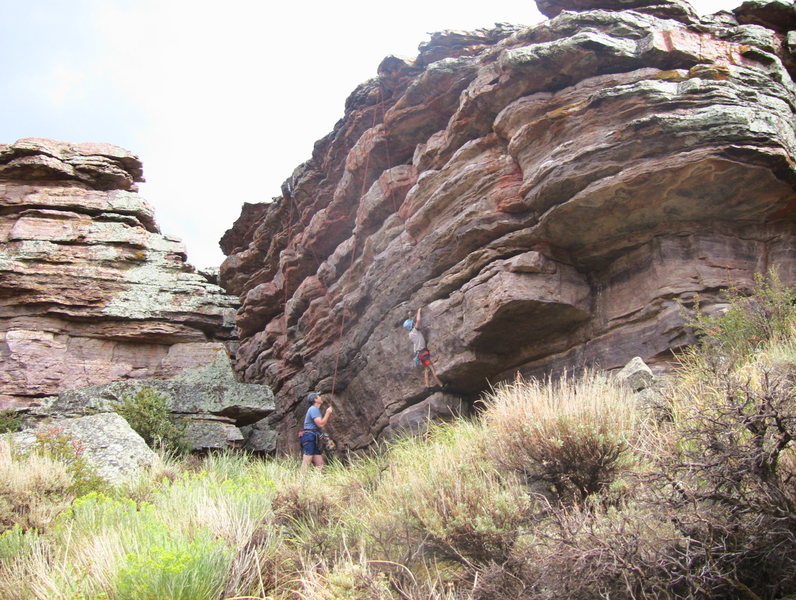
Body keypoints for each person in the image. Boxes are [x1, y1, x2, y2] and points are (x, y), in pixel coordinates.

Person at [403, 307, 444, 390]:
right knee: (432, 369)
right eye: (413, 323)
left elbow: (414, 322)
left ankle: (427, 387)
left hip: (420, 354)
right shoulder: (415, 331)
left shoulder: (411, 334)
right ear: (412, 326)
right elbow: (418, 321)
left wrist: (410, 315)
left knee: (426, 370)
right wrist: (418, 311)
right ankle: (441, 385)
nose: (414, 323)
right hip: (424, 353)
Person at [300, 391, 333, 470]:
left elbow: (317, 427)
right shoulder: (313, 409)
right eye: (318, 396)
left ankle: (317, 481)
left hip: (313, 437)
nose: (320, 397)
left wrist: (323, 435)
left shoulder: (314, 410)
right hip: (309, 437)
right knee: (307, 460)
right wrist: (327, 413)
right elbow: (320, 424)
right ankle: (300, 480)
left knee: (320, 463)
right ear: (315, 399)